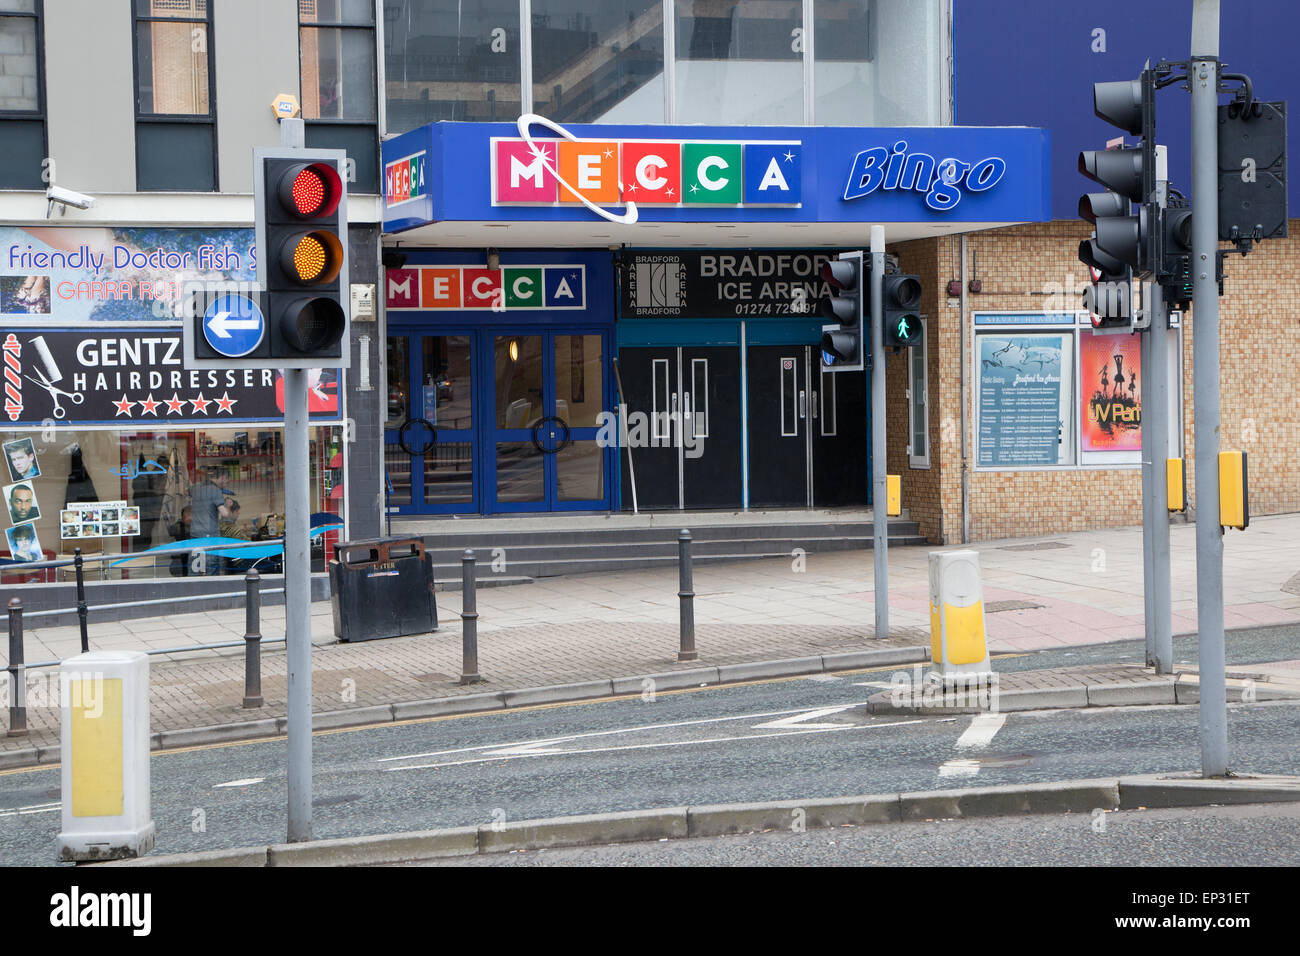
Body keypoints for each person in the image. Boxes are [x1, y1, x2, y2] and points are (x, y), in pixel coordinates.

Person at [167, 505, 193, 577]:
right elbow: (171, 531)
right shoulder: (178, 527)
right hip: (181, 560)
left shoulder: (195, 527)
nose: (189, 517)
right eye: (187, 515)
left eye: (190, 514)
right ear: (182, 517)